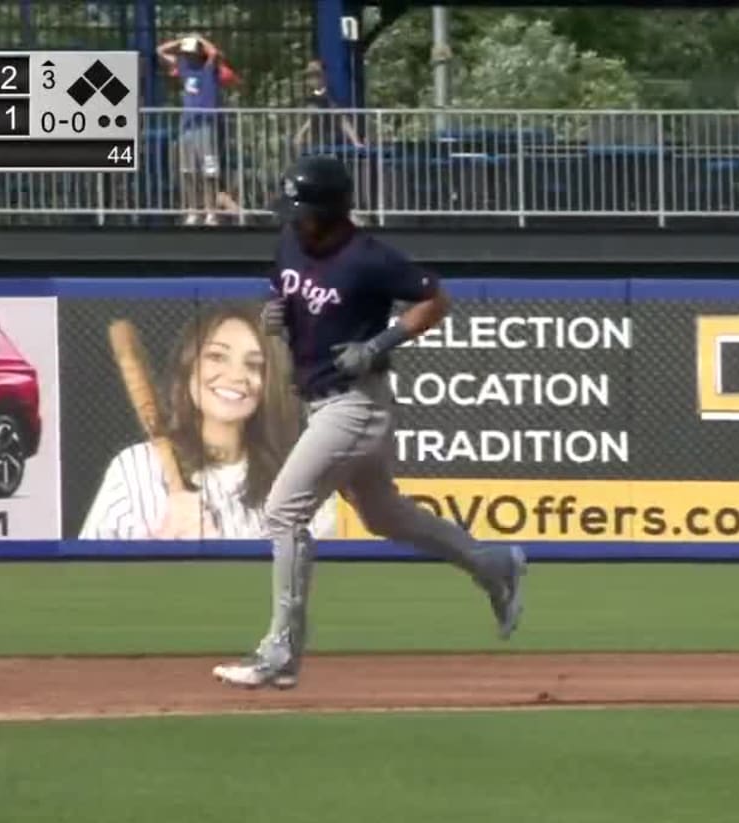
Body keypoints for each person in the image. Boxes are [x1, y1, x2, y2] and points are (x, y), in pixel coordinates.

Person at [212, 155, 525, 691]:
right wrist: (274, 313)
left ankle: (280, 652)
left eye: (304, 211)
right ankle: (493, 564)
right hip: (319, 401)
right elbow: (283, 293)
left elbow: (435, 300)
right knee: (385, 516)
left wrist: (381, 342)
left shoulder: (368, 257)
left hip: (355, 403)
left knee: (284, 512)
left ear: (332, 211)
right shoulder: (290, 242)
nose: (296, 220)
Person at [79, 304, 338, 540]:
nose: (236, 376)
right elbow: (84, 575)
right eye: (217, 356)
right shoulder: (134, 469)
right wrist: (161, 548)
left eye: (254, 365)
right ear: (189, 367)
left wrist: (217, 559)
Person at [157, 34, 239, 226]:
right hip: (187, 126)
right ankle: (193, 210)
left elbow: (214, 52)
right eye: (187, 53)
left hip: (205, 125)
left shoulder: (209, 69)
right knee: (188, 171)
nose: (189, 56)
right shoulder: (184, 69)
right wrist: (181, 41)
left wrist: (199, 39)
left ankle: (211, 212)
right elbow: (160, 51)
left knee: (209, 171)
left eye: (192, 53)